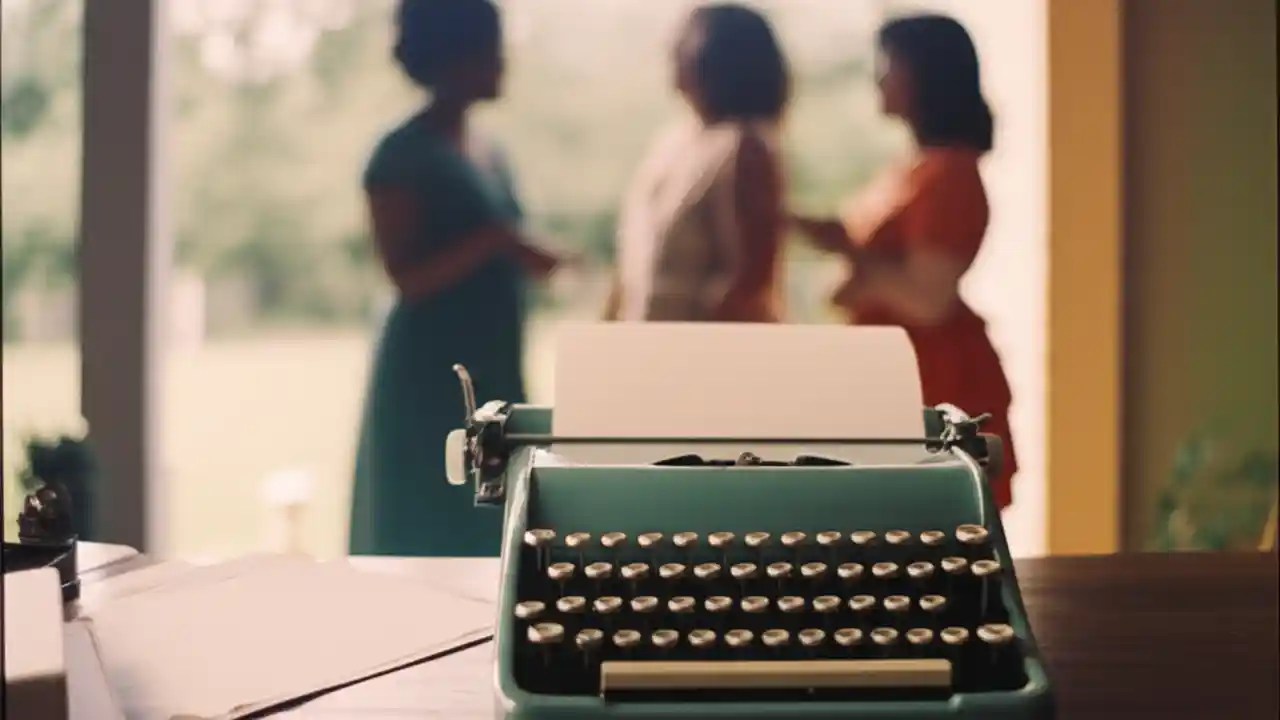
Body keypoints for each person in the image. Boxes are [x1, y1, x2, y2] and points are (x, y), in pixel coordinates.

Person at [348, 0, 560, 556]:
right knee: (429, 506)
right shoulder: (398, 156)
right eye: (490, 48)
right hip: (430, 370)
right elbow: (405, 276)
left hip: (495, 357)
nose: (502, 60)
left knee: (496, 507)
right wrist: (495, 242)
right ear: (455, 56)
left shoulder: (490, 152)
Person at [791, 14, 1017, 510]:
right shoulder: (915, 169)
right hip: (899, 374)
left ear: (925, 76)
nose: (880, 77)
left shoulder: (950, 175)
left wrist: (850, 252)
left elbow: (927, 300)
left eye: (890, 64)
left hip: (933, 379)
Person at [605, 3, 789, 323]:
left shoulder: (744, 147)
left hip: (703, 352)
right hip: (650, 343)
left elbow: (750, 277)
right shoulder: (672, 143)